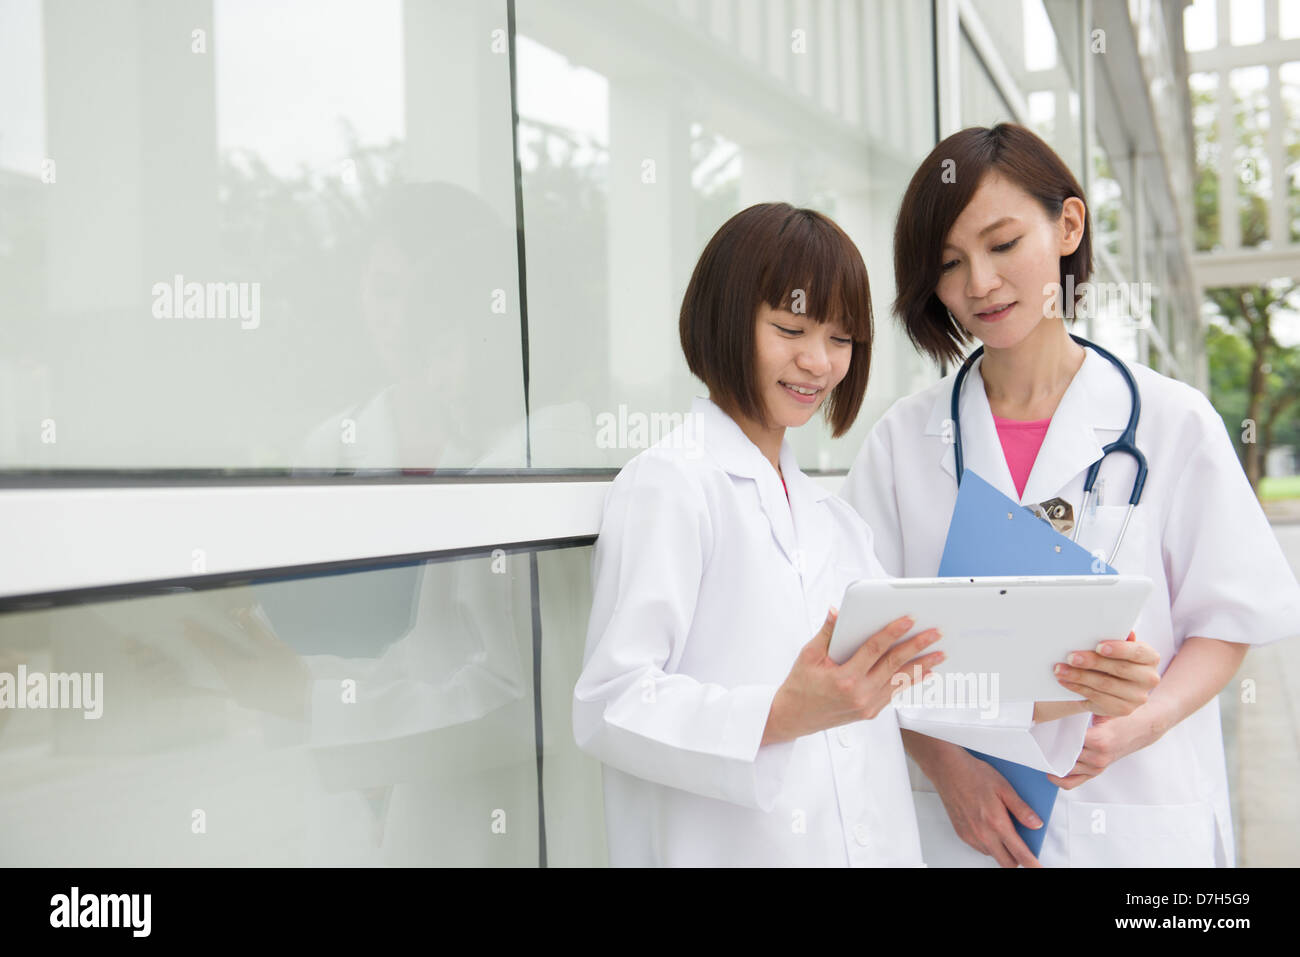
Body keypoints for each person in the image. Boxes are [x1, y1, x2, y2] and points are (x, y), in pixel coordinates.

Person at [571, 202, 1156, 866]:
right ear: (724, 319)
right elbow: (610, 704)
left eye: (841, 339)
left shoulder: (837, 523)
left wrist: (1080, 684)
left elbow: (916, 692)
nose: (818, 362)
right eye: (790, 328)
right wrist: (782, 712)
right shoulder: (671, 486)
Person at [841, 123, 1300, 868]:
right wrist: (948, 770)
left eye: (1001, 244)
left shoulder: (1171, 421)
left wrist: (1142, 721)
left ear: (1067, 225)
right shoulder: (902, 441)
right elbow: (863, 648)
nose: (979, 284)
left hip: (1137, 814)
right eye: (950, 264)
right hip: (966, 828)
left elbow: (1226, 620)